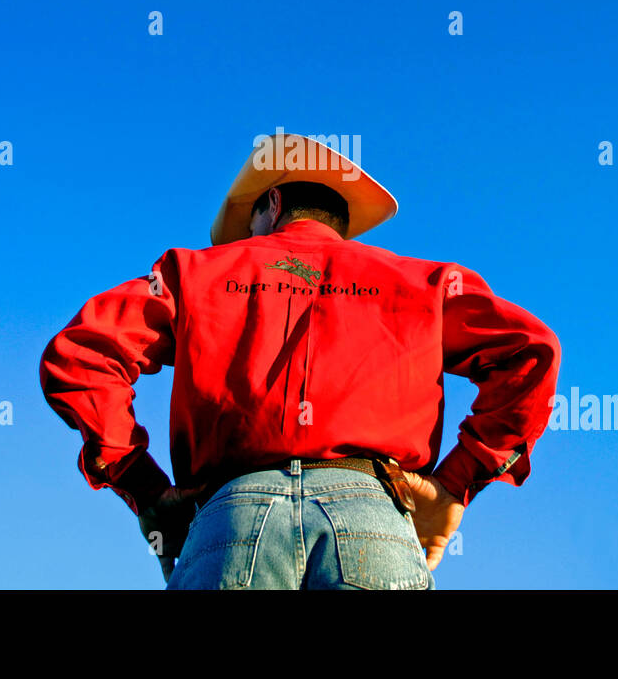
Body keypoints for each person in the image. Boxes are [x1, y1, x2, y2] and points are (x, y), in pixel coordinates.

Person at [38, 132, 561, 589]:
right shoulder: (427, 282)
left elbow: (82, 356)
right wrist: (455, 483)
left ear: (273, 200)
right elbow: (532, 350)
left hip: (230, 522)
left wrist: (144, 487)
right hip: (372, 521)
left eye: (248, 226)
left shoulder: (188, 272)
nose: (247, 241)